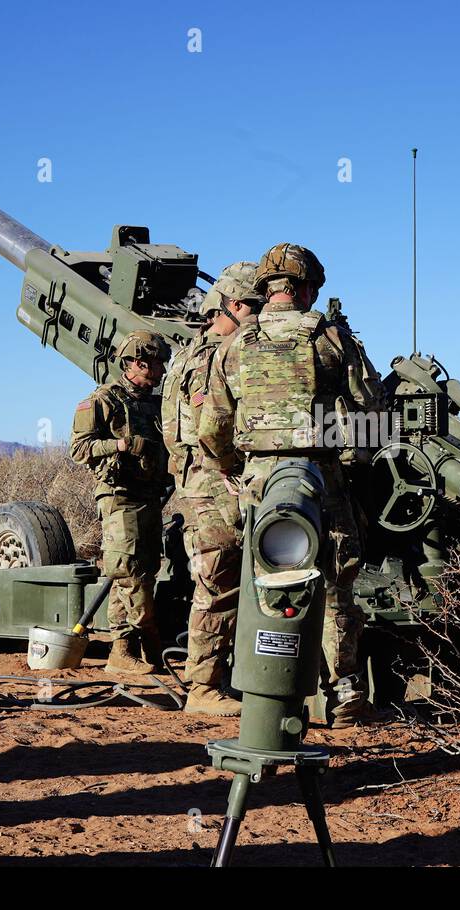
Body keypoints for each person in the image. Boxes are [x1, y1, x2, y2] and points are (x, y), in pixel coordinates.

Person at [198, 242, 383, 727]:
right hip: (322, 477)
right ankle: (342, 692)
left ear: (266, 289)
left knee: (264, 579)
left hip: (259, 481)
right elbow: (372, 412)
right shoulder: (332, 339)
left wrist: (233, 469)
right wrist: (349, 450)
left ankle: (270, 694)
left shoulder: (234, 345)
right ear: (306, 288)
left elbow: (212, 427)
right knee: (336, 582)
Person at [162, 261, 263, 716]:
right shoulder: (215, 355)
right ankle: (203, 688)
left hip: (203, 483)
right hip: (214, 486)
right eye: (256, 307)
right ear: (236, 304)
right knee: (218, 582)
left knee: (224, 581)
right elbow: (211, 429)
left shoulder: (195, 351)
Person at [70, 330, 172, 683]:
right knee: (129, 571)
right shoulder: (102, 400)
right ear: (138, 362)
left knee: (137, 570)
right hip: (119, 496)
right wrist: (121, 445)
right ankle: (149, 643)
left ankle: (122, 651)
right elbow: (79, 449)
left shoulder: (157, 403)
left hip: (149, 496)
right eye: (156, 364)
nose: (161, 371)